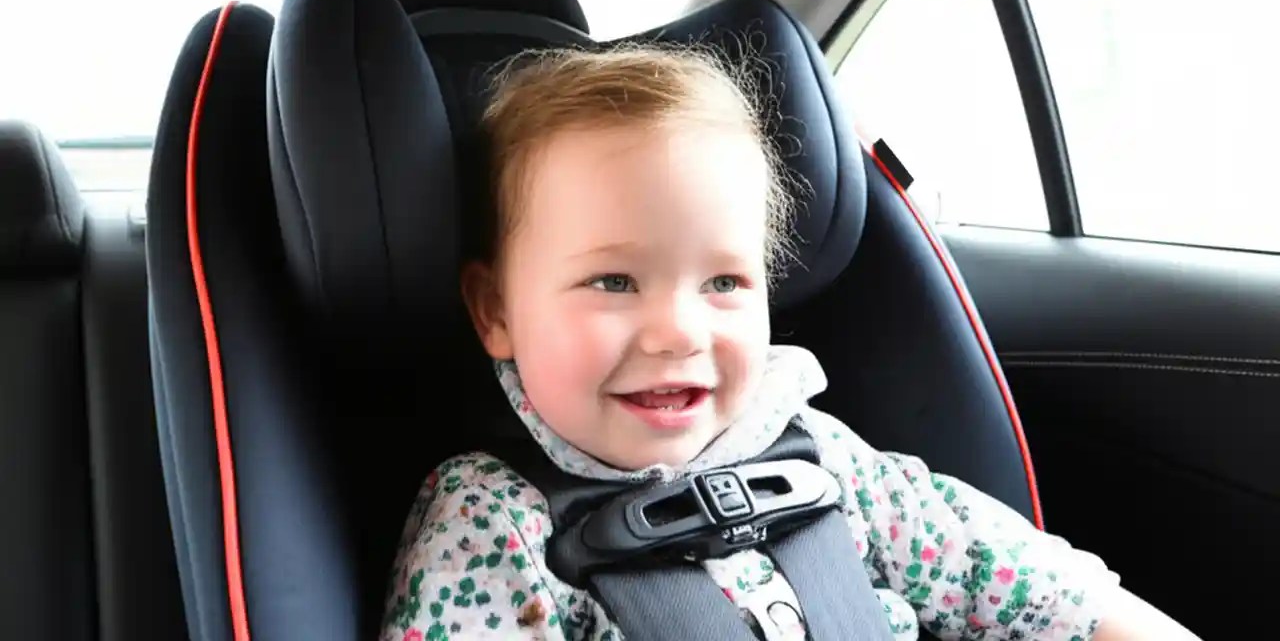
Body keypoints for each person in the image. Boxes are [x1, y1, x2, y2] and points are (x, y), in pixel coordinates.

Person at [378, 44, 1198, 641]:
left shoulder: (822, 458)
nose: (679, 331)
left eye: (726, 283)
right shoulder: (495, 520)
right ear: (496, 312)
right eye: (614, 282)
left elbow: (1049, 594)